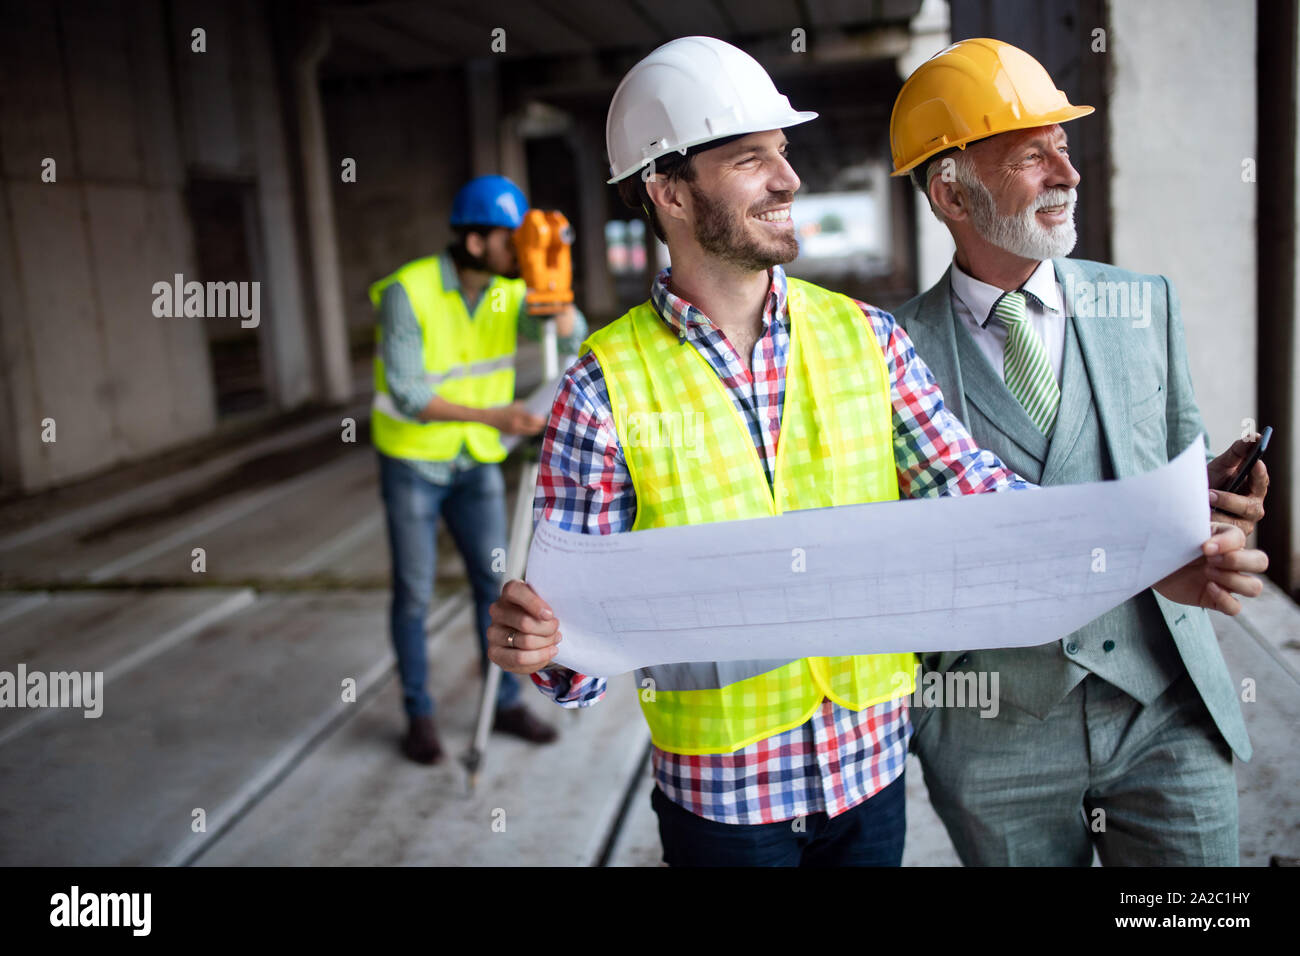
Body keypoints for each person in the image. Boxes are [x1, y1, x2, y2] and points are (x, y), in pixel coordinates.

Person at [485, 37, 1263, 867]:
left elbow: (988, 502)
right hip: (726, 800)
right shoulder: (602, 385)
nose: (789, 180)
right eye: (752, 160)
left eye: (783, 155)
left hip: (866, 779)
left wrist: (1145, 551)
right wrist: (543, 645)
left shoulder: (868, 339)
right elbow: (577, 640)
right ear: (669, 190)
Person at [888, 38, 1270, 865]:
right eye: (1034, 155)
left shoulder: (1144, 303)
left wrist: (1217, 510)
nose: (1068, 174)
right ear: (951, 191)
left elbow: (1177, 464)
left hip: (1163, 703)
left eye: (1064, 148)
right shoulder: (888, 348)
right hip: (993, 733)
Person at [371, 174, 587, 764]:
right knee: (414, 593)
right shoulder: (407, 293)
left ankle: (507, 701)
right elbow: (410, 392)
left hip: (477, 465)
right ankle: (420, 714)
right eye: (510, 239)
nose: (520, 250)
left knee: (498, 588)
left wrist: (560, 301)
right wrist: (494, 416)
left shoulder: (507, 295)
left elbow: (575, 341)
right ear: (474, 244)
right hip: (414, 462)